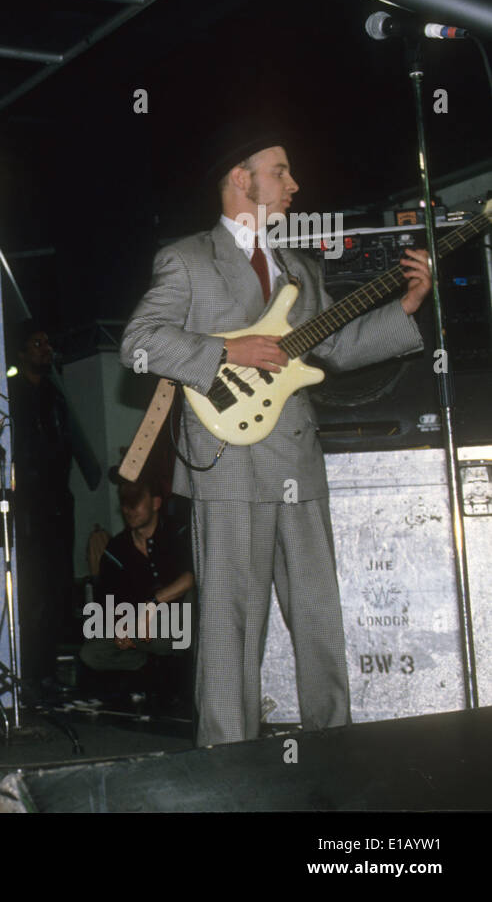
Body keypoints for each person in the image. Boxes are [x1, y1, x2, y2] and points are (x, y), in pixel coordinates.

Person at [120, 129, 432, 746]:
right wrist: (226, 349)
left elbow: (335, 348)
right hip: (226, 461)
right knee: (232, 621)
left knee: (320, 617)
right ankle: (229, 758)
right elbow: (138, 343)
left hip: (296, 454)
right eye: (281, 172)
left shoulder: (300, 268)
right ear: (243, 179)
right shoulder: (187, 259)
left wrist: (409, 306)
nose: (294, 186)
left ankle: (333, 747)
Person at [8, 323, 101, 699]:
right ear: (21, 352)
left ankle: (47, 673)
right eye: (37, 343)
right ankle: (29, 675)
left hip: (58, 503)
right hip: (27, 507)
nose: (46, 349)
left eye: (48, 342)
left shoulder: (55, 395)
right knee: (32, 592)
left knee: (56, 588)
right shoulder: (13, 394)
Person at [80, 479, 193, 708]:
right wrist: (120, 625)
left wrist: (152, 604)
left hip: (178, 619)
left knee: (178, 622)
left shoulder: (177, 531)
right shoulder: (116, 548)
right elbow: (107, 598)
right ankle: (149, 667)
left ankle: (177, 669)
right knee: (91, 653)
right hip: (138, 626)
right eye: (125, 503)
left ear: (156, 503)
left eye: (136, 502)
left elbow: (192, 576)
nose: (129, 509)